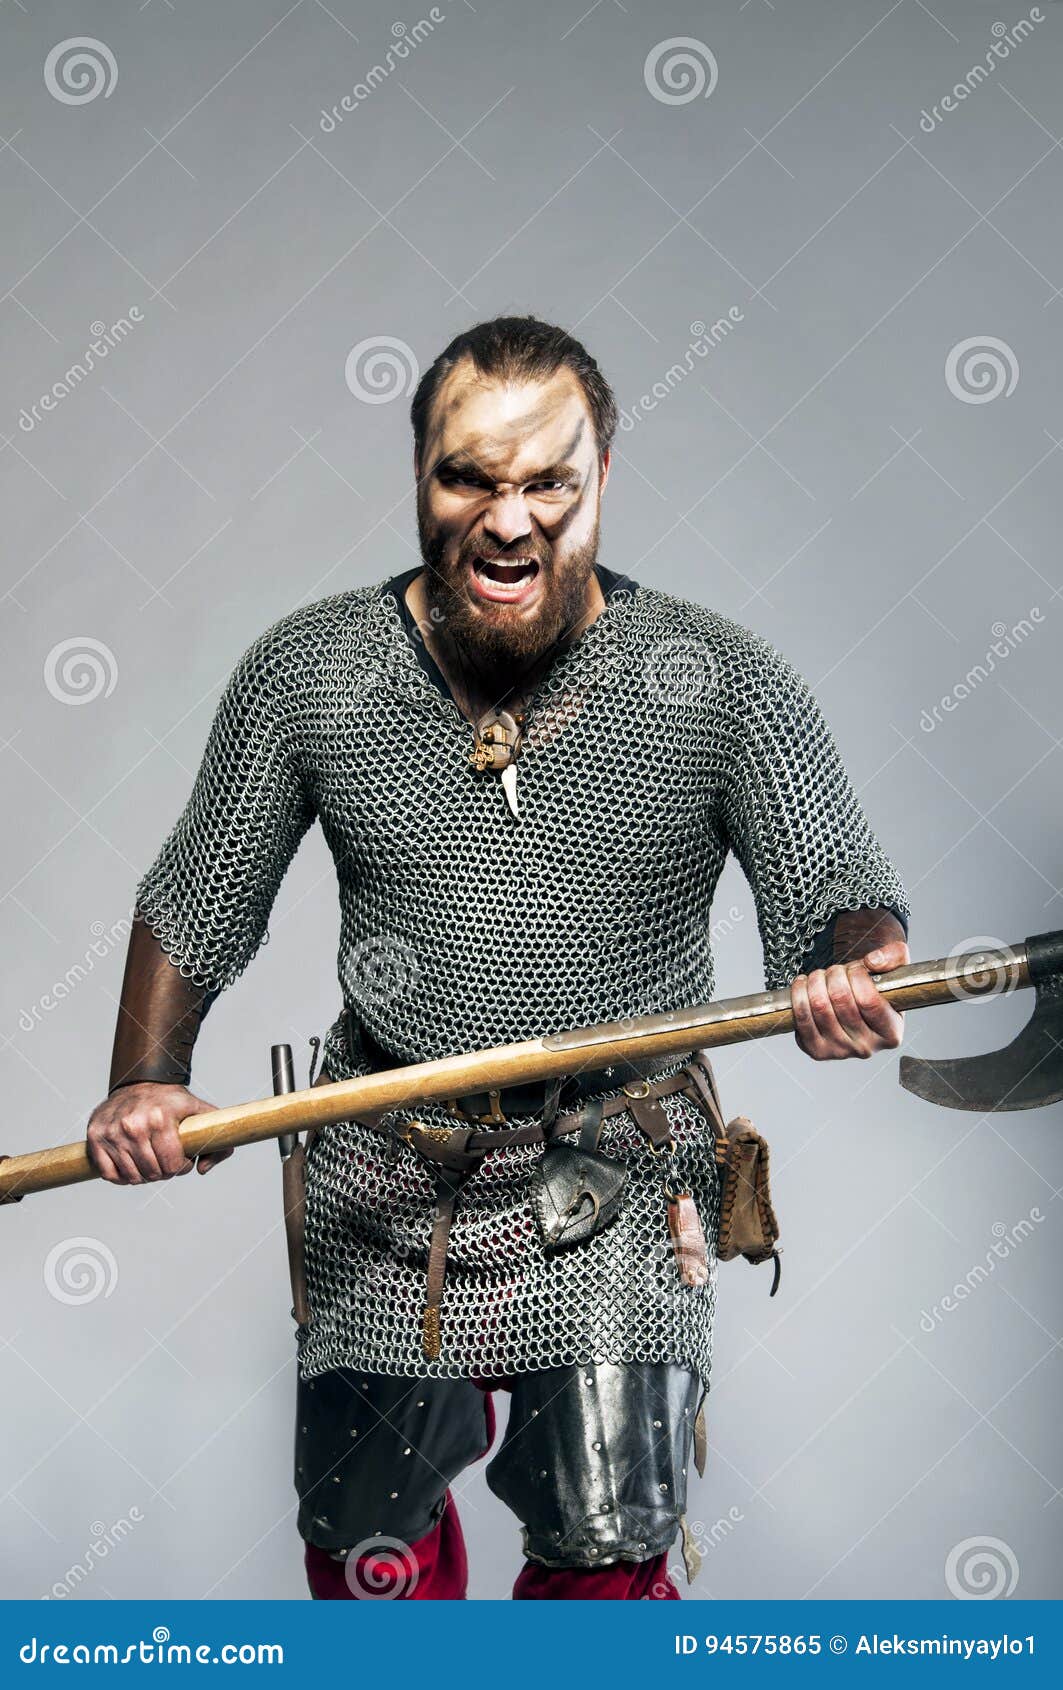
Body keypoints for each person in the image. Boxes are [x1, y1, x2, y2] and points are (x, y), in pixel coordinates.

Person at [86, 316, 909, 1601]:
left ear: (602, 480)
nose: (507, 522)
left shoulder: (713, 680)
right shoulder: (312, 674)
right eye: (468, 477)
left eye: (547, 484)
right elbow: (197, 898)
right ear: (419, 472)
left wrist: (851, 966)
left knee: (603, 1539)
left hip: (617, 1170)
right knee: (365, 1545)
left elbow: (840, 899)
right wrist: (146, 1073)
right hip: (384, 1157)